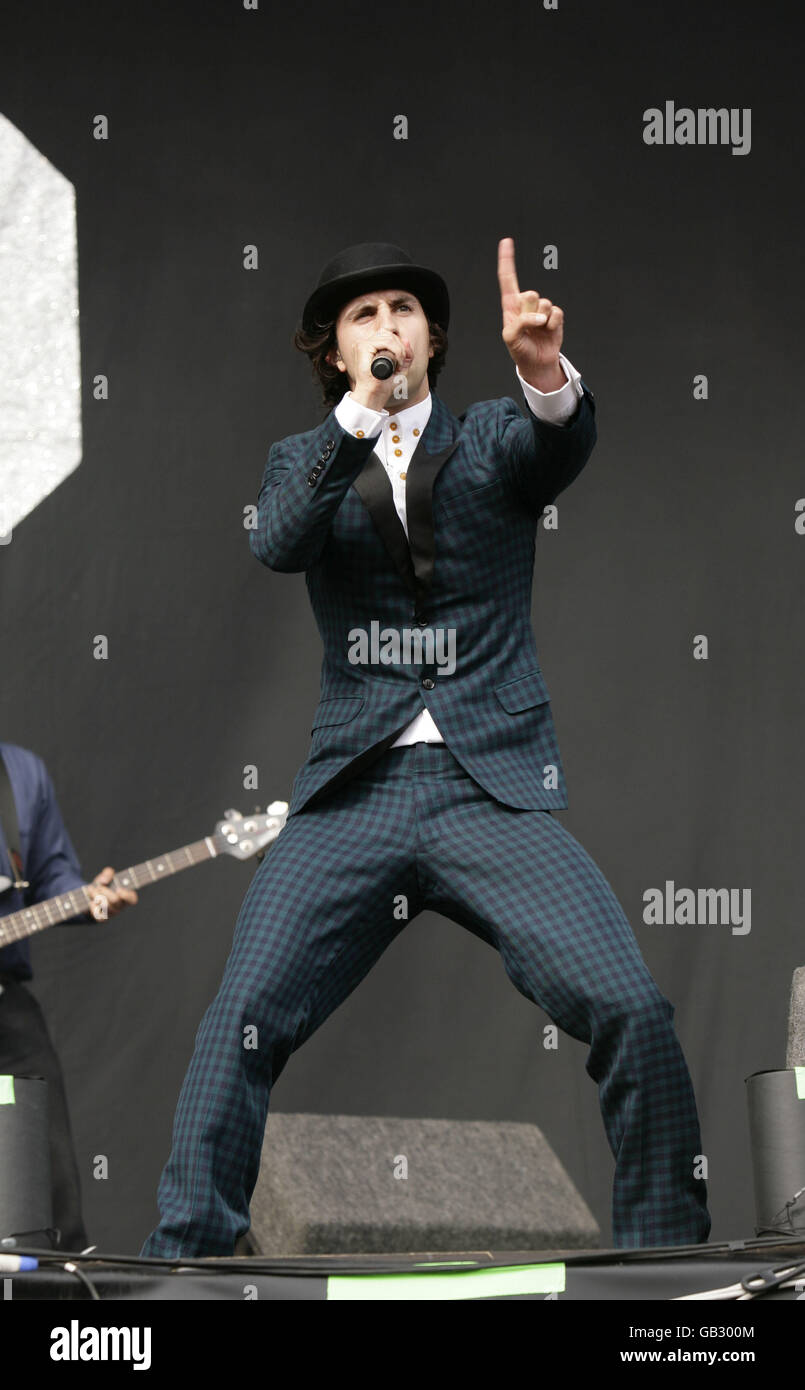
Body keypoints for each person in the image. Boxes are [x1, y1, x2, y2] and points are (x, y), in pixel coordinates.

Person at [140, 237, 711, 1257]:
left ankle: (665, 1263)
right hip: (352, 793)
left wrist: (543, 374)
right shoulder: (300, 459)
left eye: (401, 308)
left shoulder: (493, 436)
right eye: (361, 316)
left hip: (487, 787)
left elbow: (557, 446)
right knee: (238, 1018)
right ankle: (189, 1264)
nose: (386, 326)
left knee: (631, 1004)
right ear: (334, 352)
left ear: (433, 336)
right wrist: (357, 417)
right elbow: (280, 539)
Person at [0, 742, 137, 1249]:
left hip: (4, 998)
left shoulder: (19, 773)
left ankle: (62, 1285)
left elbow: (51, 874)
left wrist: (90, 900)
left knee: (47, 1176)